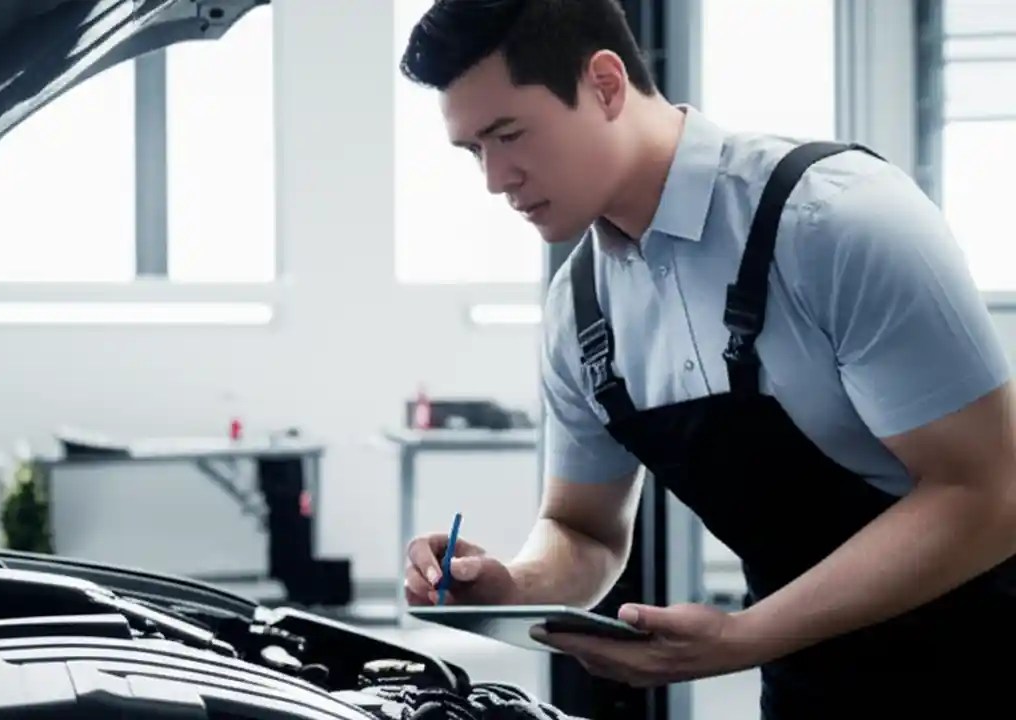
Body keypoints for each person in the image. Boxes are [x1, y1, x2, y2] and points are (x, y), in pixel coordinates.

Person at [397, 0, 1016, 716]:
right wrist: (514, 587)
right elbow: (583, 529)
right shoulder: (580, 310)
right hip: (810, 693)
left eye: (509, 135)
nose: (495, 178)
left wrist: (742, 636)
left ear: (605, 85)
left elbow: (990, 493)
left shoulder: (835, 221)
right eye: (474, 150)